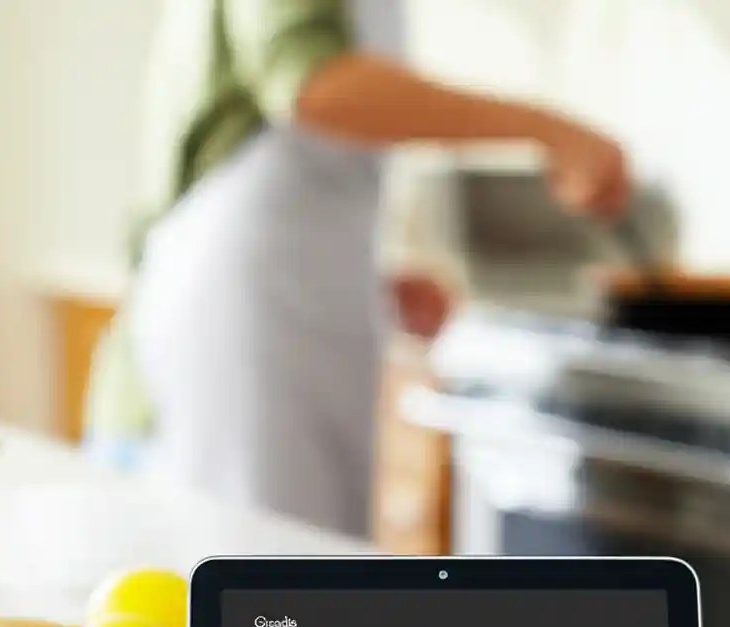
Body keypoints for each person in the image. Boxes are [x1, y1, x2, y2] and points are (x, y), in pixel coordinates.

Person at [84, 0, 629, 538]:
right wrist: (548, 130)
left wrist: (364, 277)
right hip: (250, 301)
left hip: (299, 287)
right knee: (263, 566)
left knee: (308, 563)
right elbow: (313, 83)